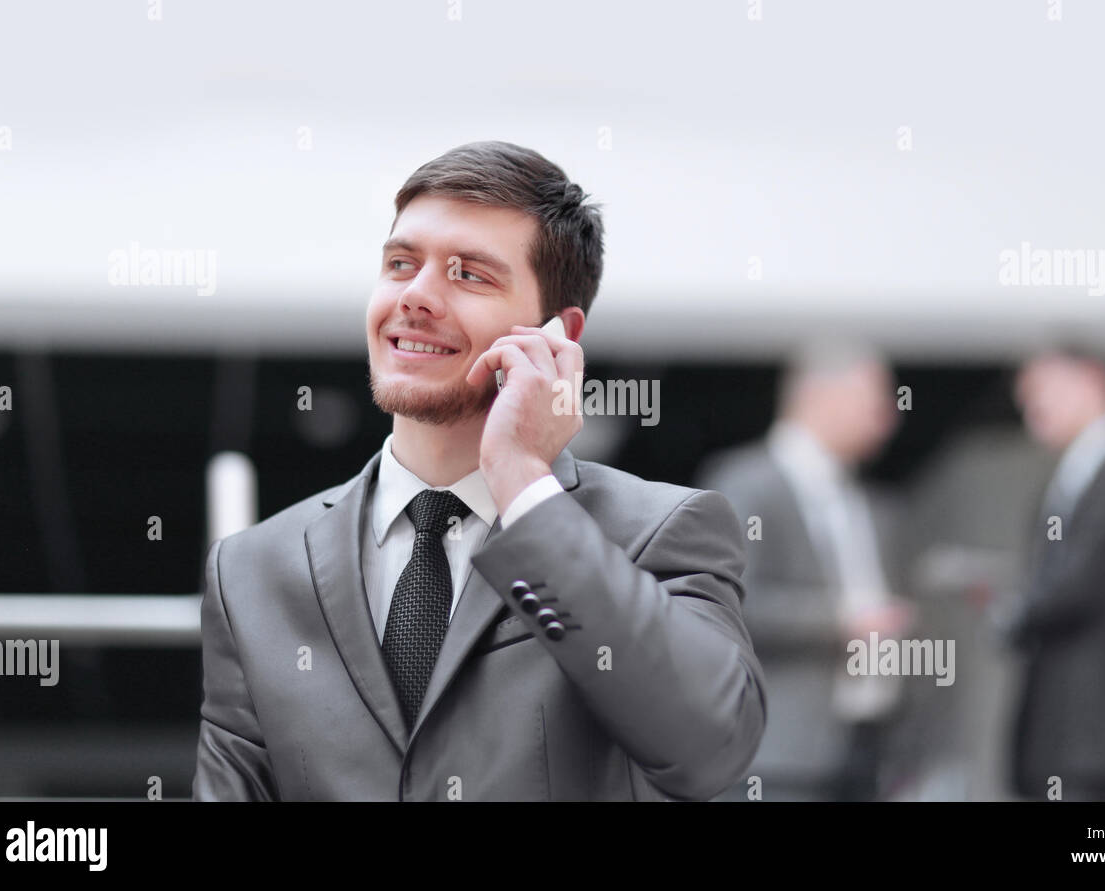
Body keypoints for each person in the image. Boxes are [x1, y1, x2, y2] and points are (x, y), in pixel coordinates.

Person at [191, 141, 766, 801]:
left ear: (558, 331)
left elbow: (709, 749)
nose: (416, 296)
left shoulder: (661, 532)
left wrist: (522, 480)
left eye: (469, 275)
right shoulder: (250, 570)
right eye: (401, 263)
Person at [696, 345, 912, 801]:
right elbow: (728, 601)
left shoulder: (866, 500)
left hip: (865, 744)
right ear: (819, 394)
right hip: (778, 752)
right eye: (873, 401)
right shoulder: (745, 481)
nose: (888, 418)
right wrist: (842, 622)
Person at [1000, 348, 1105, 801]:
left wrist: (1012, 611)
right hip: (1062, 742)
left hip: (1092, 742)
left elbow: (1075, 586)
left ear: (1092, 379)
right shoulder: (1073, 476)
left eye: (1040, 394)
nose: (1033, 414)